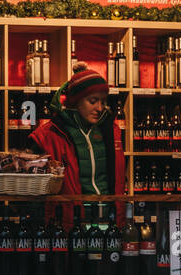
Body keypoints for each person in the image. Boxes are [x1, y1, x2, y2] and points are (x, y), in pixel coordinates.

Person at [28, 63, 125, 223]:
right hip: (70, 220)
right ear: (76, 101)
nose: (100, 108)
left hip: (108, 217)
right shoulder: (49, 134)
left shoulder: (111, 130)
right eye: (93, 101)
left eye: (103, 101)